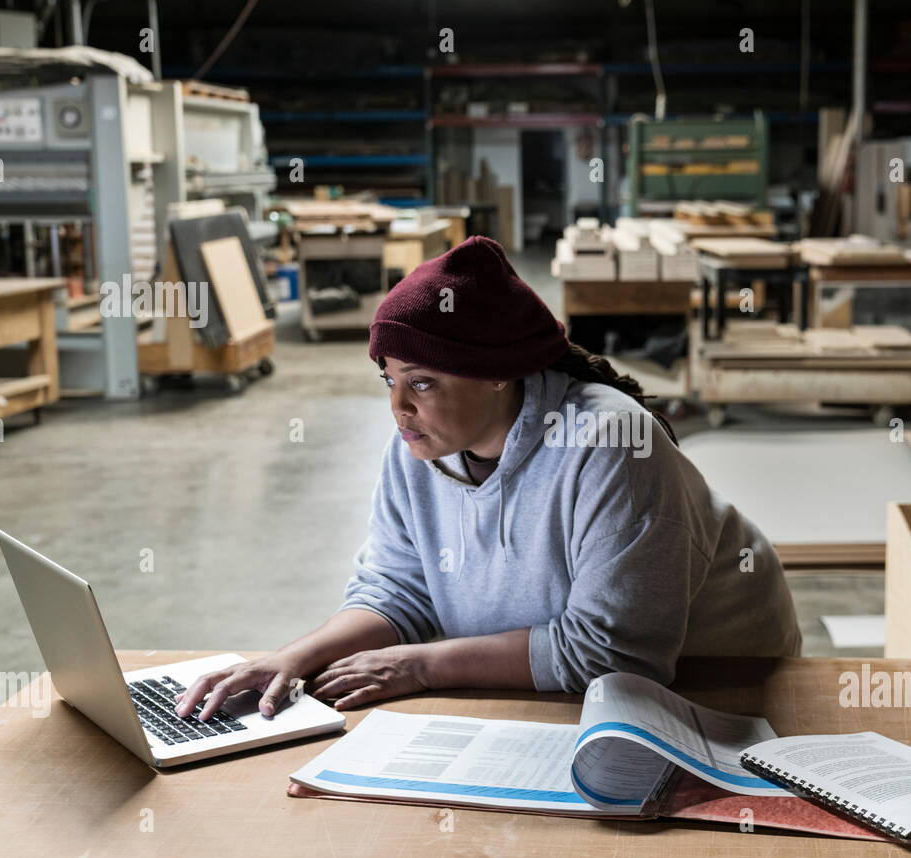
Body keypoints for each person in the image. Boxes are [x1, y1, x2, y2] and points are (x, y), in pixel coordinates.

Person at [177, 236, 800, 722]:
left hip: (720, 680)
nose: (399, 407)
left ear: (500, 372)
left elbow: (614, 655)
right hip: (575, 685)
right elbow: (398, 591)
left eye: (421, 382)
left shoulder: (609, 444)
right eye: (388, 380)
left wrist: (422, 667)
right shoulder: (420, 446)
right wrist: (292, 658)